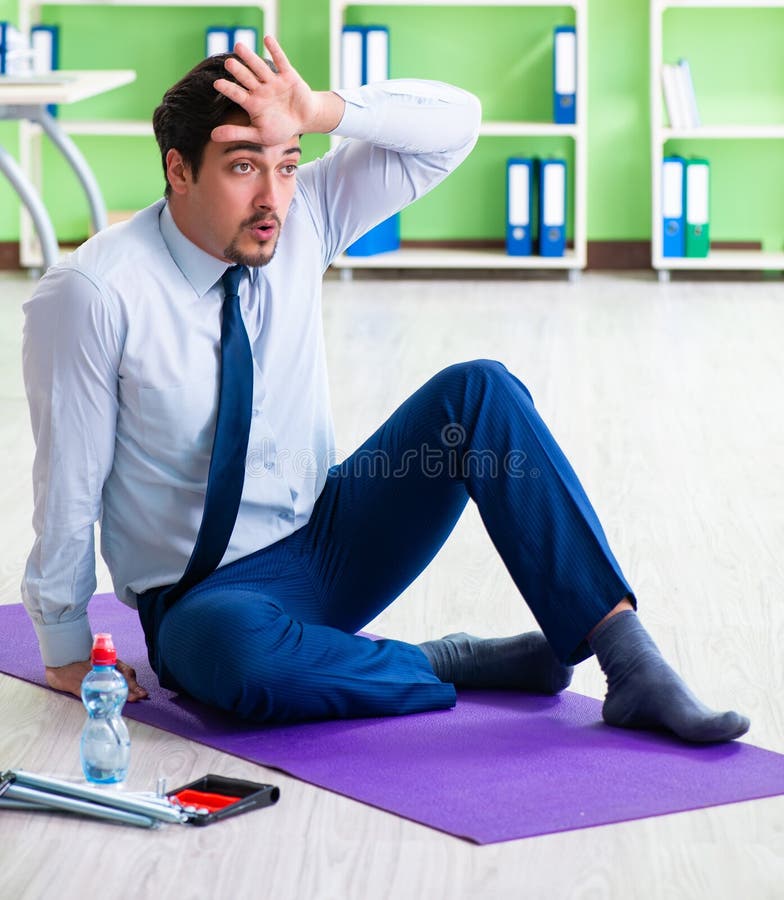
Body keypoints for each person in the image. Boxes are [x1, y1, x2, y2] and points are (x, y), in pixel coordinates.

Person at [22, 38, 749, 743]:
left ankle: (633, 664)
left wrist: (319, 109)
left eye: (287, 164)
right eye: (244, 167)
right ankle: (455, 660)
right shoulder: (95, 293)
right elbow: (70, 478)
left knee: (480, 394)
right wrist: (65, 641)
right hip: (207, 599)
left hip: (330, 534)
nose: (273, 196)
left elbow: (455, 125)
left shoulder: (303, 214)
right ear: (178, 170)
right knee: (241, 658)